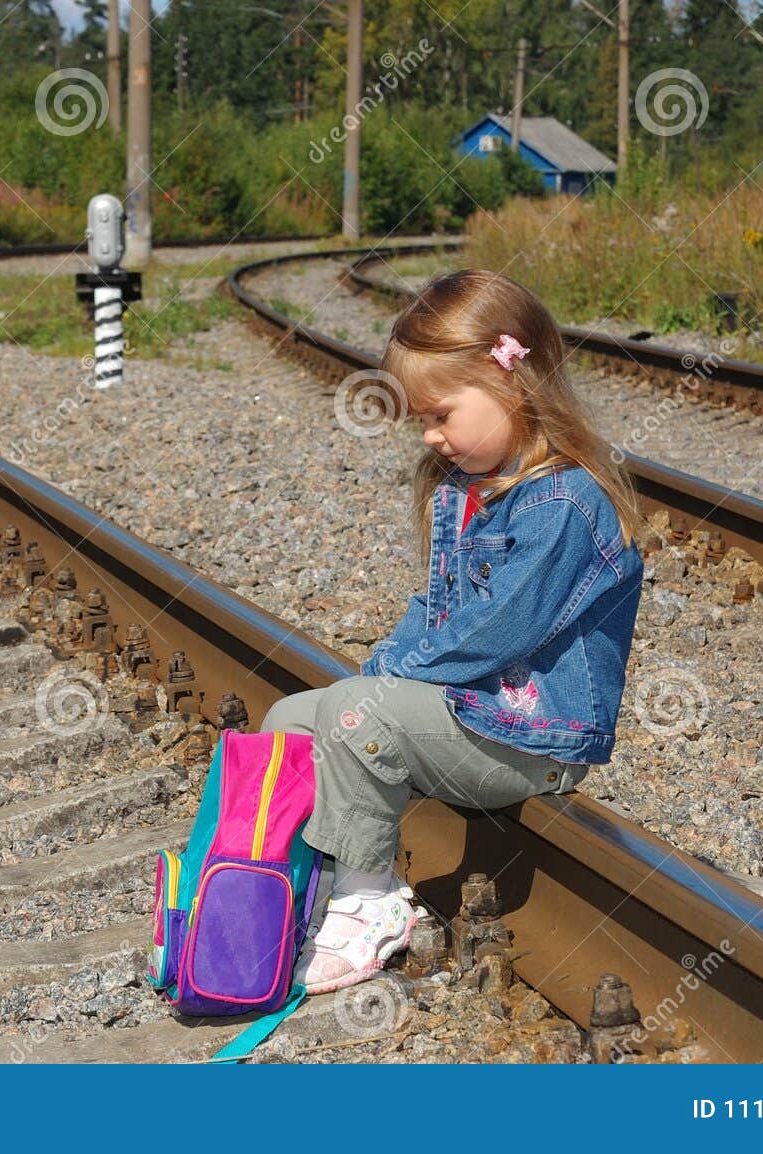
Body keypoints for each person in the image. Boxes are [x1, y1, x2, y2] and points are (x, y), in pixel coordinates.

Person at [260, 269, 645, 995]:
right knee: (289, 719)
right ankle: (293, 887)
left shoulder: (562, 502)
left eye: (439, 414)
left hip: (531, 740)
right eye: (423, 422)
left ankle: (369, 904)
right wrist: (379, 673)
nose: (432, 436)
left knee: (355, 713)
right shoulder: (465, 489)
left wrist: (377, 686)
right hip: (469, 715)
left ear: (513, 381)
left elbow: (492, 635)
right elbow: (435, 608)